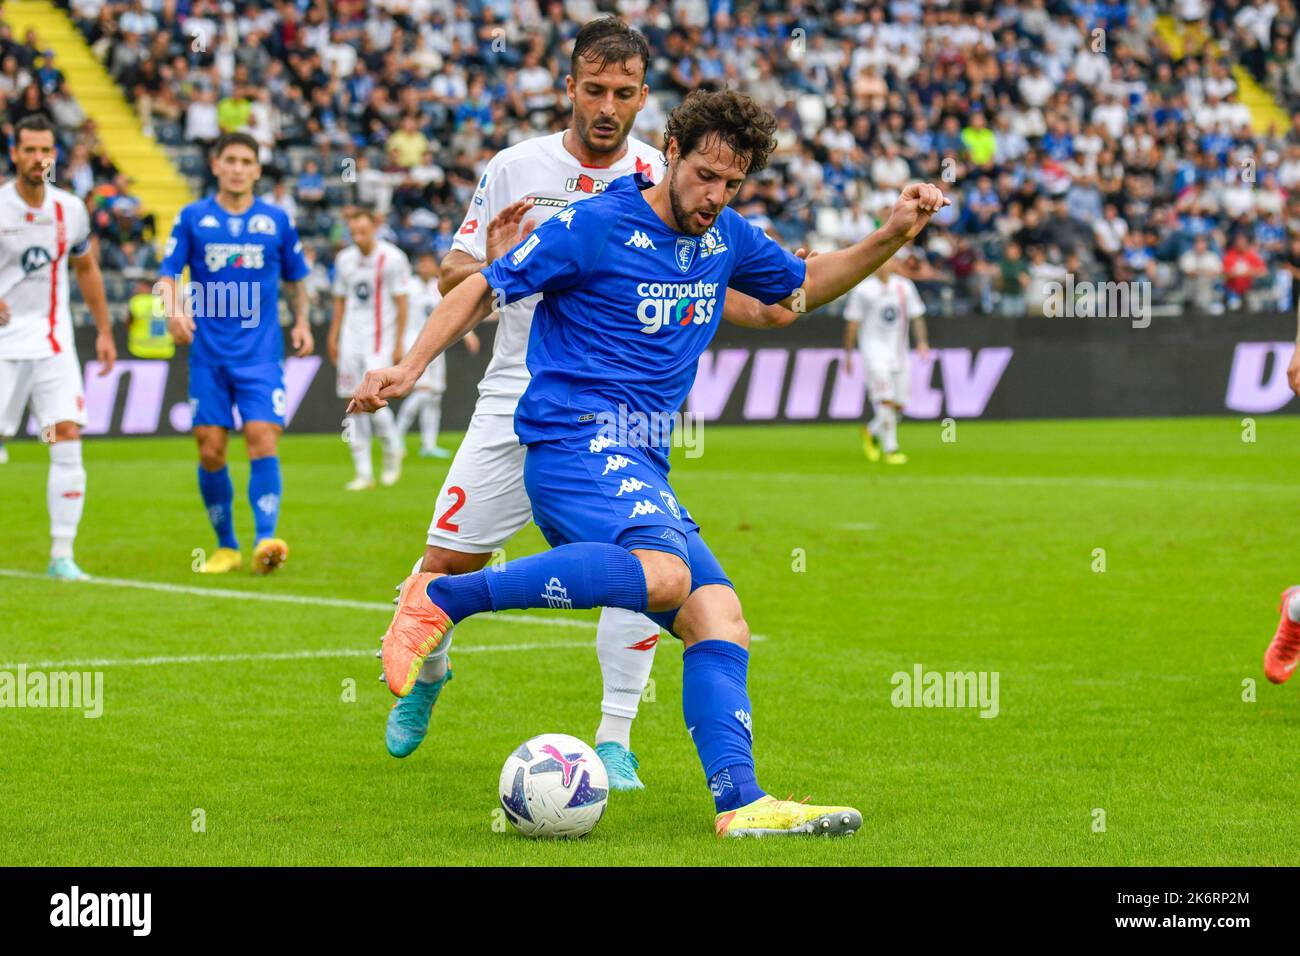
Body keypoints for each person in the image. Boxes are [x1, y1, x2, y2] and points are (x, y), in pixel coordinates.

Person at [351, 88, 947, 836]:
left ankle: (741, 803)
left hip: (638, 459)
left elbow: (800, 289)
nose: (715, 195)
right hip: (570, 441)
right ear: (670, 154)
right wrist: (407, 369)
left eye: (732, 183)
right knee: (664, 573)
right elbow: (480, 288)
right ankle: (444, 599)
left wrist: (892, 233)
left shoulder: (726, 236)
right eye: (704, 175)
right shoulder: (594, 224)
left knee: (719, 618)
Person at [380, 17, 798, 786]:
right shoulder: (515, 165)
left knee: (640, 563)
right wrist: (496, 268)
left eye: (624, 93)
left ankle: (614, 736)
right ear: (570, 87)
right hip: (517, 385)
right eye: (594, 89)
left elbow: (708, 282)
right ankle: (429, 676)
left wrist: (776, 297)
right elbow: (458, 274)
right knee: (447, 556)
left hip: (618, 407)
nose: (608, 106)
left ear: (645, 100)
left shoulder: (666, 173)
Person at [158, 131, 313, 575]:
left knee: (263, 438)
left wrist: (301, 321)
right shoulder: (192, 217)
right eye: (231, 160)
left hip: (261, 355)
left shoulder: (277, 220)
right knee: (210, 450)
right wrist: (172, 312)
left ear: (257, 169)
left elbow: (296, 278)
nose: (239, 168)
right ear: (216, 165)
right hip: (208, 354)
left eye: (247, 161)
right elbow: (168, 272)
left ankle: (266, 540)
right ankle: (226, 546)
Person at [0, 115, 117, 579]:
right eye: (29, 150)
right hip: (4, 348)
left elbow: (86, 270)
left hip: (53, 343)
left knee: (65, 434)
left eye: (45, 150)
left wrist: (105, 331)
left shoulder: (71, 209)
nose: (37, 159)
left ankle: (62, 555)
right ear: (14, 153)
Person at [328, 207, 410, 490]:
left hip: (380, 342)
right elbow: (340, 299)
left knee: (373, 400)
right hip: (351, 339)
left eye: (363, 232)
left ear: (375, 227)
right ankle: (363, 472)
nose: (358, 238)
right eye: (353, 233)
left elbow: (402, 303)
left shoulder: (393, 258)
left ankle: (392, 451)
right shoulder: (344, 259)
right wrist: (334, 335)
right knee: (352, 405)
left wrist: (399, 342)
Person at [843, 254, 929, 465]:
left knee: (899, 405)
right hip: (874, 353)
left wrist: (922, 342)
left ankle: (870, 431)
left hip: (899, 353)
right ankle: (892, 449)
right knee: (885, 400)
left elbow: (916, 315)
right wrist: (848, 353)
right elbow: (853, 322)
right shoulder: (863, 290)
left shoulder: (904, 287)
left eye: (887, 261)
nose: (883, 266)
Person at [393, 251, 479, 459]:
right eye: (421, 263)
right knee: (423, 392)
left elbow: (455, 310)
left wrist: (469, 335)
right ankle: (396, 437)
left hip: (436, 345)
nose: (425, 267)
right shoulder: (409, 287)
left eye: (428, 263)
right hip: (413, 343)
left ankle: (429, 444)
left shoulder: (437, 288)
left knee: (434, 396)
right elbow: (398, 313)